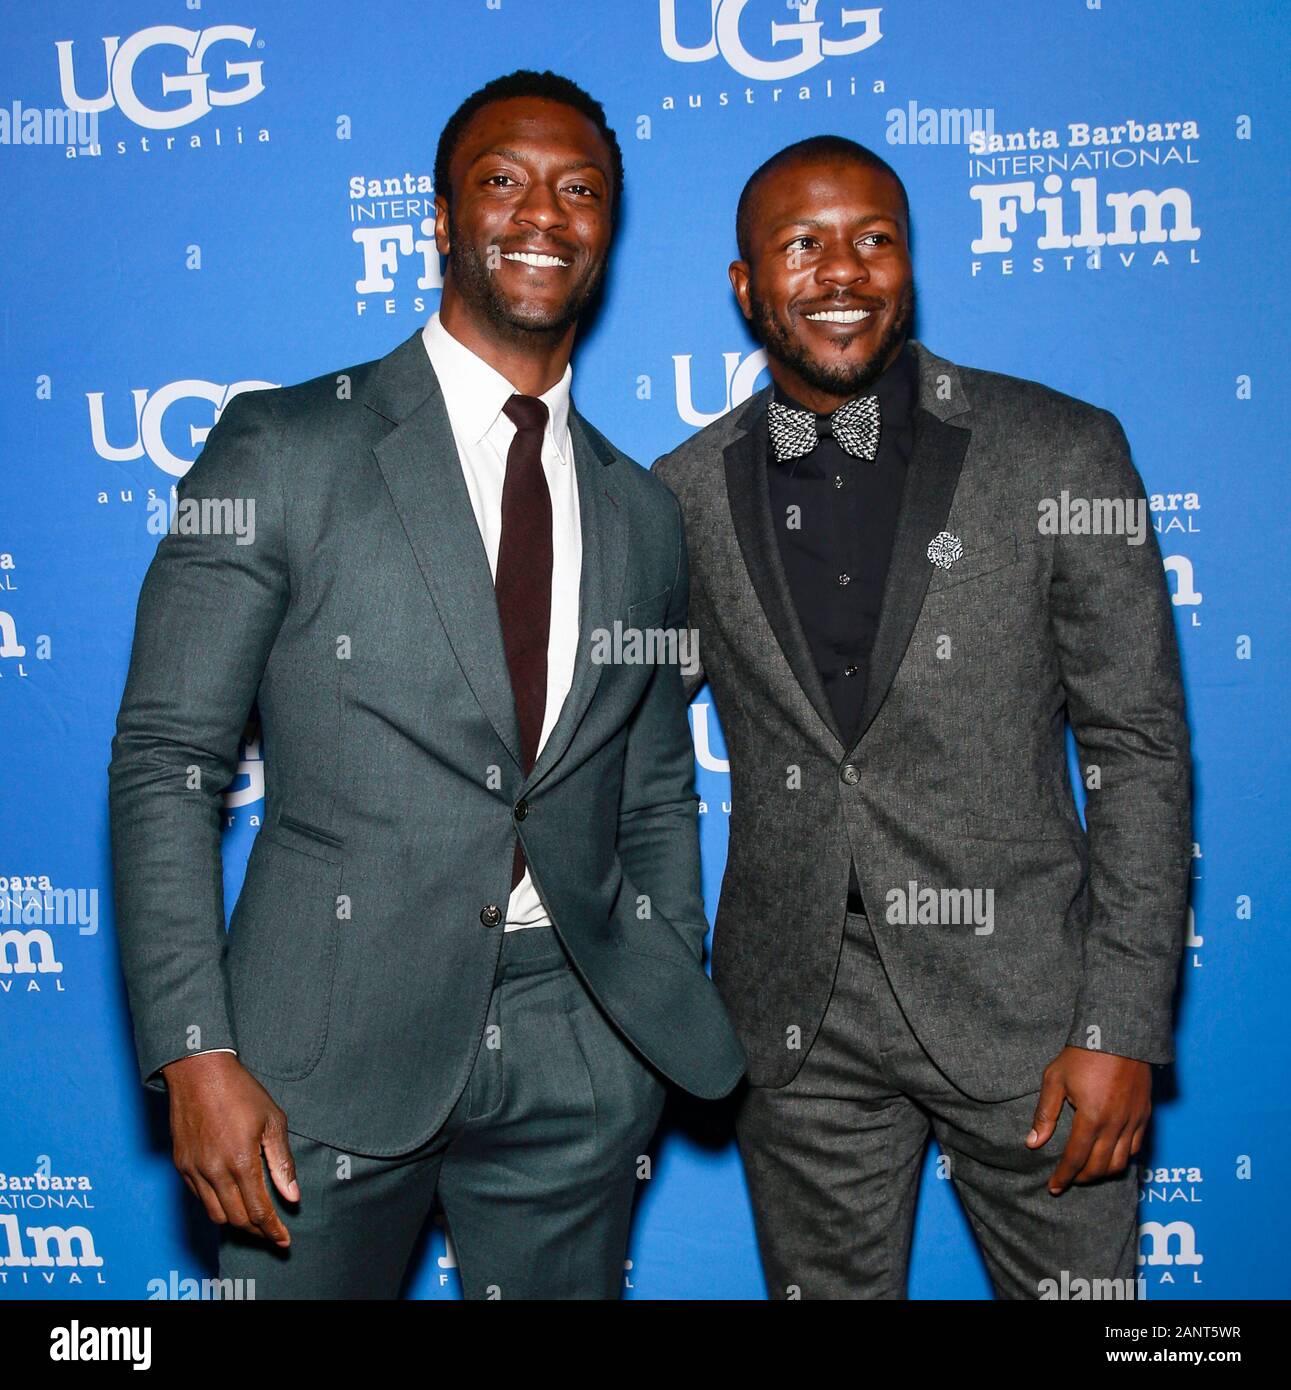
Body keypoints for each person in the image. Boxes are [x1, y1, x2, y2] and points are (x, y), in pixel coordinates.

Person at [109, 68, 743, 1301]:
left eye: (580, 190)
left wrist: (648, 1015)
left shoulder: (643, 510)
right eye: (501, 181)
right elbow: (167, 764)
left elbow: (657, 782)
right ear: (442, 219)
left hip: (579, 1047)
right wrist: (197, 1052)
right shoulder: (285, 446)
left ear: (608, 227)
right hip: (319, 1058)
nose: (541, 215)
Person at [652, 135, 1191, 1299]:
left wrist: (1122, 1023)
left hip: (1037, 1014)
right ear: (746, 286)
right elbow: (621, 746)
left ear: (910, 263)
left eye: (873, 238)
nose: (840, 270)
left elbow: (1137, 752)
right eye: (801, 246)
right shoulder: (679, 493)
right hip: (794, 1025)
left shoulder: (1059, 448)